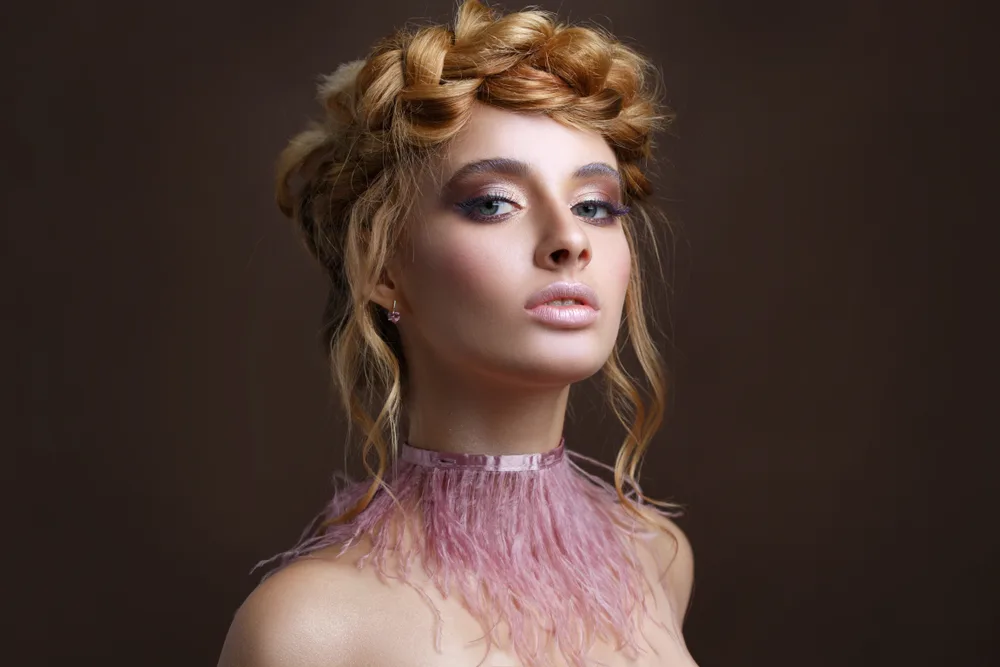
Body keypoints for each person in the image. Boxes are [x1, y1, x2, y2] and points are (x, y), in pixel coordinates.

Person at [218, 1, 696, 665]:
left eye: (594, 205)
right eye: (494, 203)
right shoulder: (309, 629)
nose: (568, 241)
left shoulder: (657, 557)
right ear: (381, 266)